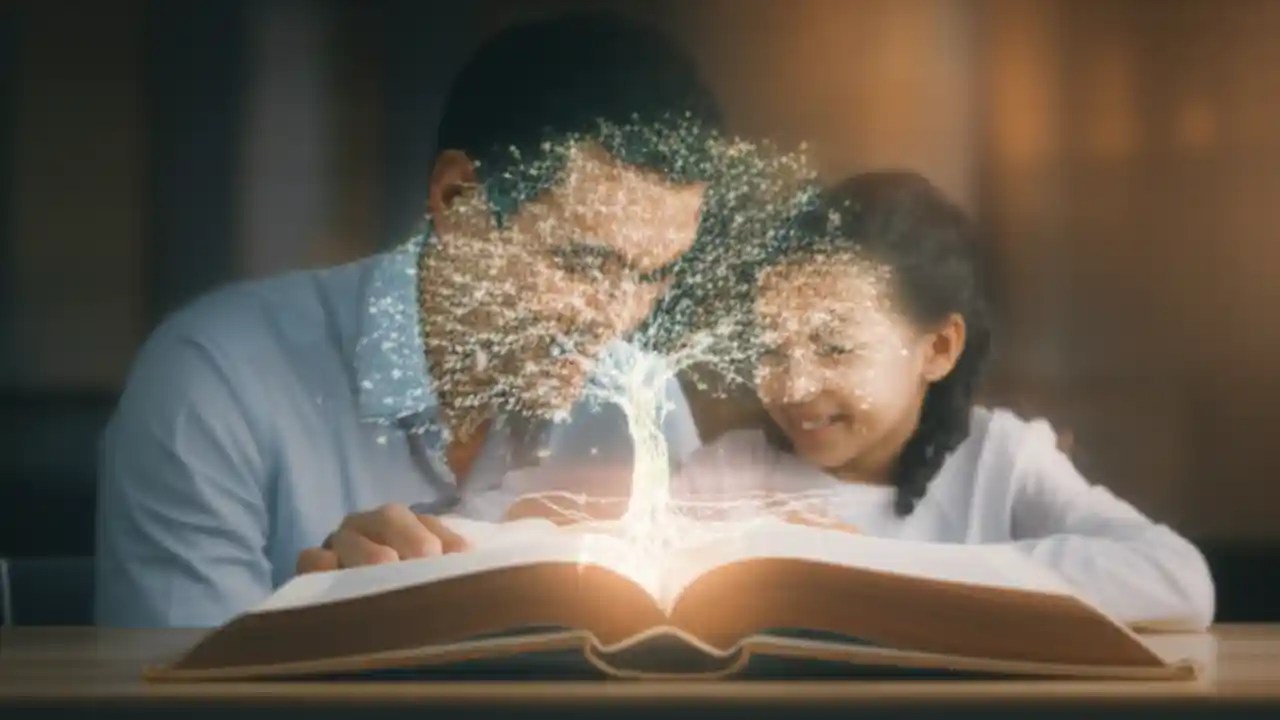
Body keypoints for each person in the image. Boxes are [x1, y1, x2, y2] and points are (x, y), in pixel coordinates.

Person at [96, 12, 723, 627]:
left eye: (651, 276)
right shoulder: (213, 384)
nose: (615, 321)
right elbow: (172, 690)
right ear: (458, 201)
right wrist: (323, 635)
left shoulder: (642, 405)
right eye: (581, 262)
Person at [677, 171, 1215, 629]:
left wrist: (865, 566)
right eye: (771, 349)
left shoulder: (998, 459)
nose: (794, 386)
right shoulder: (728, 475)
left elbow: (1179, 581)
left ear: (937, 348)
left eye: (834, 347)